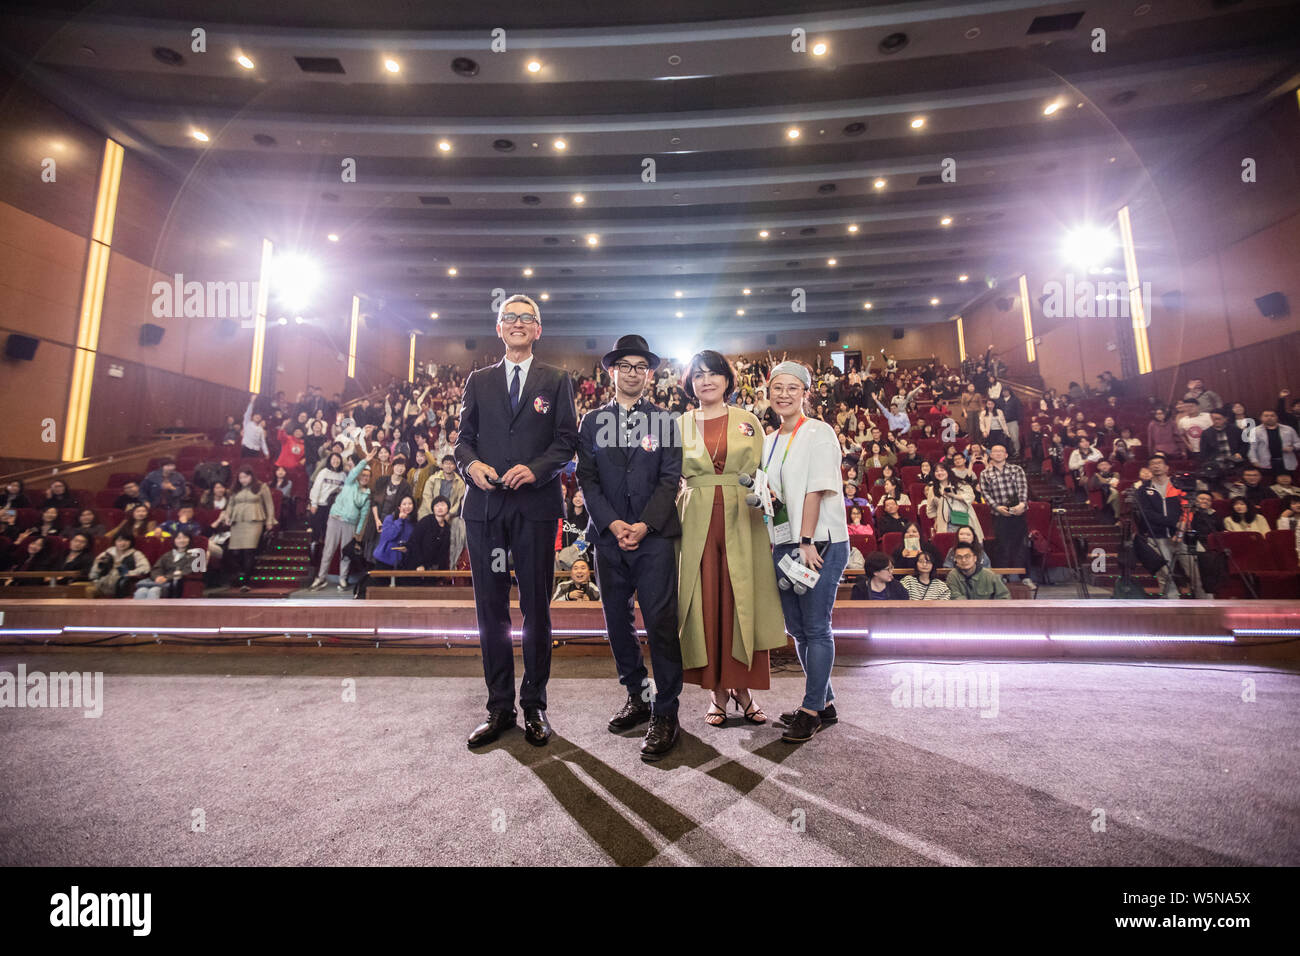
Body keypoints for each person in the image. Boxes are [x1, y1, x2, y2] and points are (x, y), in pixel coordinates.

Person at [455, 294, 579, 749]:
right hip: (486, 509)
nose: (518, 324)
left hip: (536, 508)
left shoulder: (557, 379)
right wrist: (472, 467)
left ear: (539, 329)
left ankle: (534, 705)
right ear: (500, 328)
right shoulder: (479, 380)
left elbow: (567, 441)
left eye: (527, 318)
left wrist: (538, 469)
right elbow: (462, 441)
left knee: (536, 610)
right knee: (490, 611)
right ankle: (499, 707)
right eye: (510, 318)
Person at [575, 334, 684, 760]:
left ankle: (666, 710)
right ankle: (637, 697)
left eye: (641, 366)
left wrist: (642, 525)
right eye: (626, 365)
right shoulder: (591, 421)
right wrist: (613, 523)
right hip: (608, 538)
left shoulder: (664, 420)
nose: (633, 372)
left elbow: (669, 477)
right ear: (612, 371)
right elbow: (588, 478)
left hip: (653, 538)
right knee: (617, 624)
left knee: (659, 622)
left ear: (649, 374)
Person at [676, 349, 786, 729]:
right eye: (698, 375)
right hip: (695, 518)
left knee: (743, 599)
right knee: (706, 601)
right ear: (690, 383)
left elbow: (763, 472)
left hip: (743, 517)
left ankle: (744, 689)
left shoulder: (748, 420)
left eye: (713, 374)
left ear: (727, 379)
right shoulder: (680, 424)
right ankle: (716, 693)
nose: (706, 380)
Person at [760, 361, 851, 744]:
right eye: (777, 388)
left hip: (819, 543)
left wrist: (806, 540)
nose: (783, 394)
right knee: (796, 628)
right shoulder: (769, 440)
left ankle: (811, 710)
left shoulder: (819, 432)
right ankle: (824, 702)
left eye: (792, 388)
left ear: (805, 393)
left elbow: (817, 489)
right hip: (785, 541)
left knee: (816, 626)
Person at [979, 441, 1033, 586]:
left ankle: (1025, 577)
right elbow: (986, 493)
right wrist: (996, 507)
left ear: (1006, 455)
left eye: (1000, 451)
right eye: (995, 451)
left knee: (1021, 545)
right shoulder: (985, 473)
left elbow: (1023, 488)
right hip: (999, 514)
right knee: (1001, 546)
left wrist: (1022, 504)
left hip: (1018, 512)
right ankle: (1001, 577)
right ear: (991, 455)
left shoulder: (1016, 469)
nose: (997, 453)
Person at [216, 465, 276, 592]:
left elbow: (269, 505)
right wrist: (227, 516)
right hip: (238, 522)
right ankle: (240, 574)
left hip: (254, 521)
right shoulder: (235, 489)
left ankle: (247, 581)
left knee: (249, 550)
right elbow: (230, 504)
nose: (243, 480)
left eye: (246, 477)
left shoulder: (261, 487)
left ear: (251, 476)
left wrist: (270, 520)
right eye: (241, 477)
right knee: (235, 552)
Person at [133, 530, 199, 599]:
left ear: (190, 540)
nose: (181, 540)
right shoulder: (167, 555)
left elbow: (187, 571)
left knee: (154, 590)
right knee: (141, 591)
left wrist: (167, 578)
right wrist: (157, 577)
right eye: (178, 538)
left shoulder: (193, 555)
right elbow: (157, 568)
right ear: (174, 540)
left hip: (172, 584)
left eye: (185, 537)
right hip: (158, 582)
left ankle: (152, 610)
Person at [925, 462, 983, 539]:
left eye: (942, 470)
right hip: (946, 524)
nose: (939, 473)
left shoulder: (961, 484)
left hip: (965, 521)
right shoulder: (933, 489)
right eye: (936, 471)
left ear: (948, 471)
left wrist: (954, 496)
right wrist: (936, 520)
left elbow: (971, 497)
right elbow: (930, 508)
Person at [89, 532, 151, 598]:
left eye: (126, 540)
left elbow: (146, 568)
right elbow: (94, 572)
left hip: (122, 585)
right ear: (115, 542)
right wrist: (97, 568)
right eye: (119, 540)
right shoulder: (107, 553)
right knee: (89, 590)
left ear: (131, 542)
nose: (122, 543)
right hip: (102, 583)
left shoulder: (136, 554)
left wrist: (129, 573)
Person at [946, 542, 1011, 599]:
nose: (963, 560)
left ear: (975, 558)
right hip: (963, 612)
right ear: (955, 560)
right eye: (959, 557)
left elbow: (1004, 597)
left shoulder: (990, 576)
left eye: (967, 556)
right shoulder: (953, 576)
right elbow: (956, 598)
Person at [1248, 409, 1299, 475]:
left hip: (1286, 462)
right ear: (1261, 418)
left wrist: (1293, 447)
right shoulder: (1254, 431)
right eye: (1266, 416)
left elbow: (1298, 443)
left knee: (1286, 482)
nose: (1269, 418)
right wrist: (1254, 461)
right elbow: (1251, 448)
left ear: (1277, 417)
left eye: (1272, 416)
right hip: (1265, 463)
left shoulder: (1288, 429)